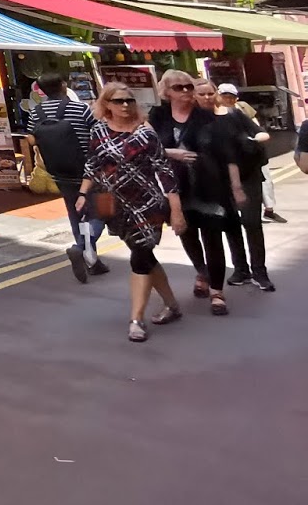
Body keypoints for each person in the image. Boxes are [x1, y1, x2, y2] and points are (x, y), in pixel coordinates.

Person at [77, 82, 187, 343]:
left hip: (147, 205)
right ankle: (172, 305)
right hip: (114, 205)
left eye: (129, 100)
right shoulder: (99, 131)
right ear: (107, 105)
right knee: (145, 255)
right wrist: (82, 194)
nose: (125, 105)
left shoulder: (145, 134)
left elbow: (165, 172)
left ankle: (136, 320)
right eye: (118, 101)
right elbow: (92, 165)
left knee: (139, 256)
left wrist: (176, 210)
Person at [149, 69, 243, 314]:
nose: (185, 91)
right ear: (166, 92)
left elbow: (227, 154)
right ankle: (201, 271)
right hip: (175, 190)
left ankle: (216, 291)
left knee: (213, 238)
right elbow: (148, 147)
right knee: (187, 235)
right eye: (179, 87)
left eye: (188, 86)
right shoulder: (158, 115)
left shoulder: (206, 116)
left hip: (209, 186)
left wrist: (236, 186)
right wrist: (171, 153)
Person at [28, 73, 106, 282]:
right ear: (63, 85)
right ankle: (81, 248)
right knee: (101, 212)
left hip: (60, 171)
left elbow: (31, 139)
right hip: (87, 170)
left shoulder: (36, 112)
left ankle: (93, 261)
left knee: (75, 214)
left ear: (42, 90)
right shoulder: (80, 109)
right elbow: (97, 134)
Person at [209, 81, 274, 291]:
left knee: (252, 222)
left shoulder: (237, 115)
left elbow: (261, 133)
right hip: (221, 179)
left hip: (248, 176)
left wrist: (254, 139)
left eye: (231, 96)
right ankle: (241, 270)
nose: (225, 99)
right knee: (231, 225)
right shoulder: (202, 121)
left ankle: (259, 271)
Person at [219, 83, 285, 223]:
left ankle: (269, 210)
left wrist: (255, 138)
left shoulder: (241, 108)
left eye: (232, 97)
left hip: (252, 152)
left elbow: (257, 127)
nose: (229, 100)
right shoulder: (216, 113)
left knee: (265, 181)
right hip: (232, 157)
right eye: (225, 96)